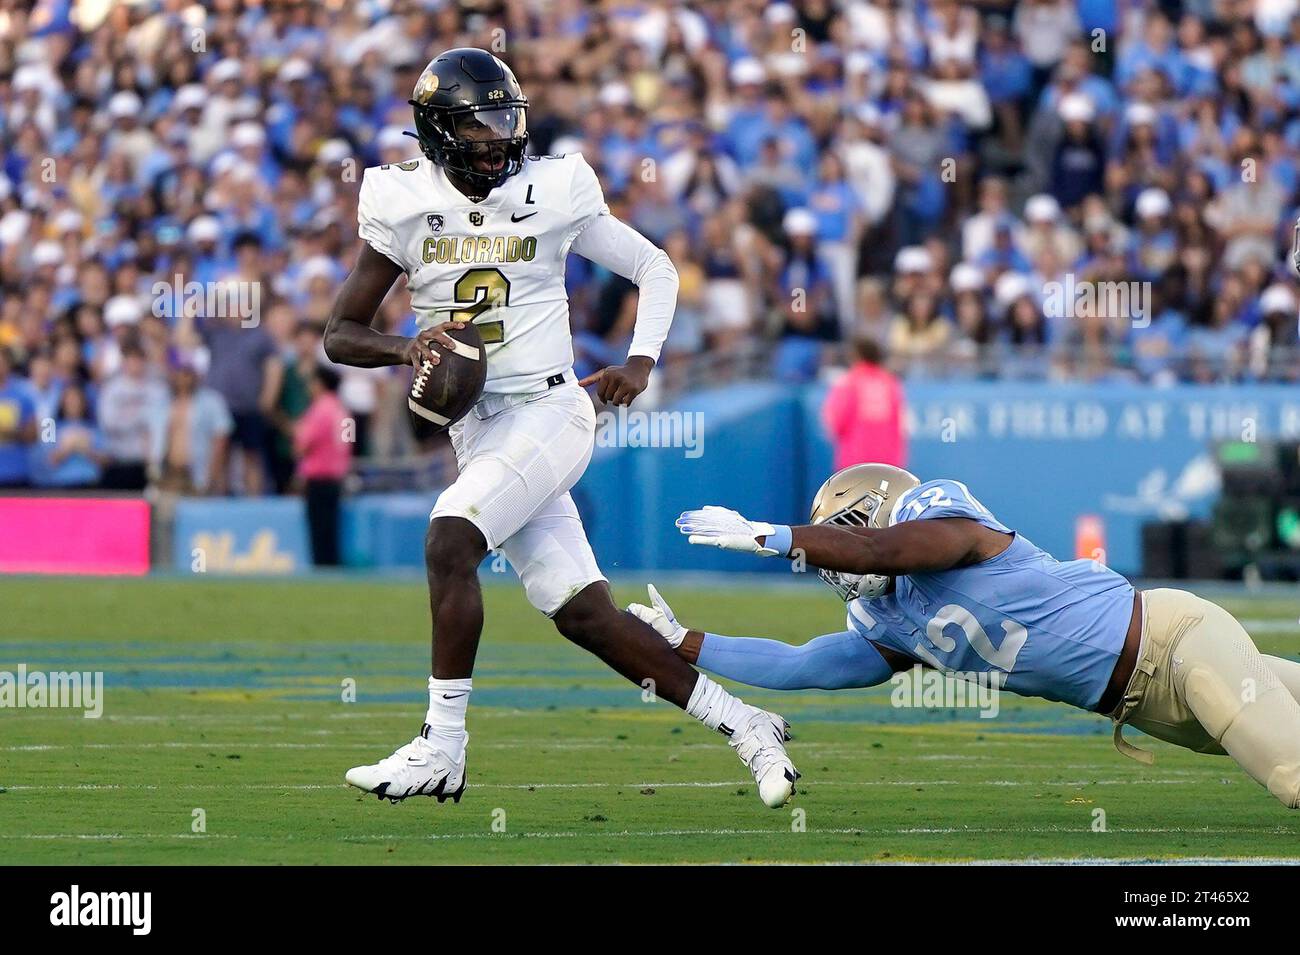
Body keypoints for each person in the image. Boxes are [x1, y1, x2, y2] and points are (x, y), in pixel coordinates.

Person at [322, 49, 796, 808]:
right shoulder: (400, 200)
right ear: (437, 133)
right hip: (477, 430)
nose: (496, 139)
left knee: (450, 539)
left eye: (505, 120)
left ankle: (443, 747)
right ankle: (747, 723)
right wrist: (404, 345)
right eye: (477, 125)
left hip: (551, 409)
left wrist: (641, 362)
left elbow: (657, 269)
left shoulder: (555, 186)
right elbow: (340, 331)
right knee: (587, 616)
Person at [644, 464, 1300, 810]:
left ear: (877, 509)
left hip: (1177, 643)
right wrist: (686, 642)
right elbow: (803, 662)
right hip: (1147, 709)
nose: (834, 564)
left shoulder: (940, 520)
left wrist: (774, 536)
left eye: (844, 533)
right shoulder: (887, 623)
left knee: (1291, 777)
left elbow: (886, 549)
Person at [293, 364, 351, 566]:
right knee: (331, 529)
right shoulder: (341, 409)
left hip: (317, 478)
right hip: (336, 477)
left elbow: (302, 445)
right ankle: (332, 568)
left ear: (319, 384)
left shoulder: (319, 410)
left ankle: (321, 568)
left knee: (318, 530)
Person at [821, 337, 907, 472]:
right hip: (888, 460)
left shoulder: (848, 381)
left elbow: (837, 421)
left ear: (856, 355)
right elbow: (901, 423)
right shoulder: (890, 382)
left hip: (855, 458)